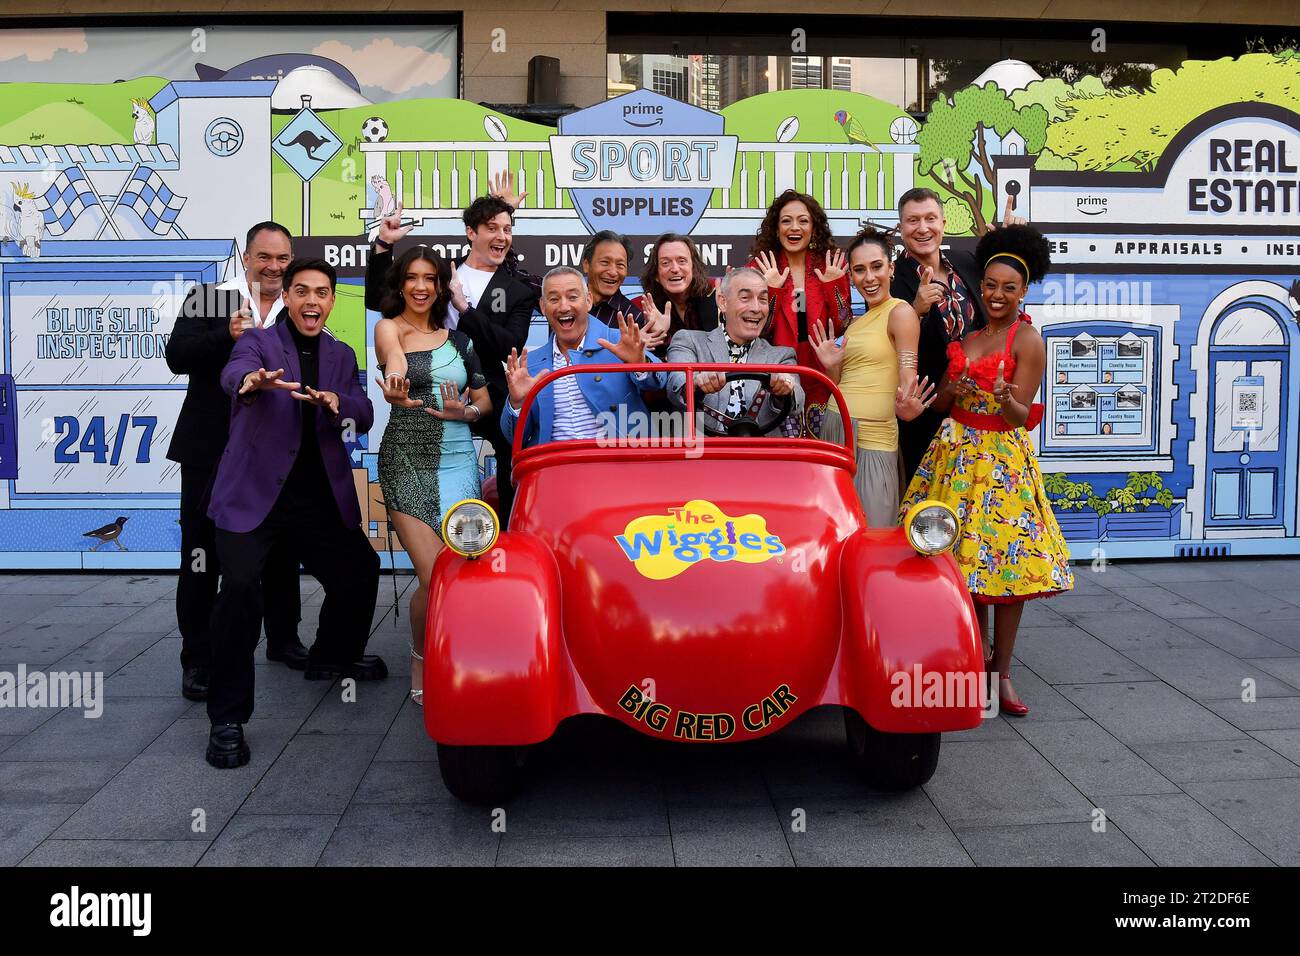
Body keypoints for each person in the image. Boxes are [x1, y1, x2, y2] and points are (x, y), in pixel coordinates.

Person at [204, 259, 382, 769]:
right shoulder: (260, 343)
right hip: (253, 498)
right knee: (238, 592)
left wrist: (338, 403)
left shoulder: (341, 353)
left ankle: (332, 654)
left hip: (315, 497)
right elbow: (233, 371)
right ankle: (227, 721)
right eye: (301, 291)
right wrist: (251, 382)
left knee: (360, 570)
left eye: (322, 293)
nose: (312, 301)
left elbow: (362, 409)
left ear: (331, 301)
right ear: (286, 296)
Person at [899, 225, 1074, 718]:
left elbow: (1021, 415)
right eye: (991, 286)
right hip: (955, 456)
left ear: (1024, 292)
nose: (997, 295)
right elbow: (944, 406)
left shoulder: (1030, 340)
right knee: (964, 565)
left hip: (1000, 461)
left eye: (1009, 288)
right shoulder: (969, 337)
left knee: (1008, 568)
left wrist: (1006, 399)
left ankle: (1004, 672)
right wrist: (953, 384)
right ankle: (975, 661)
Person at [164, 221, 305, 703]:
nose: (274, 267)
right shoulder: (210, 297)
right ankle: (198, 660)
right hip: (210, 450)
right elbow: (176, 356)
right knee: (201, 554)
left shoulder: (300, 305)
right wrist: (226, 334)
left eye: (283, 259)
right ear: (246, 257)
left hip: (275, 452)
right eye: (264, 257)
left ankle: (284, 639)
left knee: (281, 548)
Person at [366, 194, 536, 526]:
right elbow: (380, 299)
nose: (502, 236)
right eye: (492, 228)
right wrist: (384, 245)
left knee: (509, 468)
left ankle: (508, 544)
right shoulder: (440, 272)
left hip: (491, 396)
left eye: (507, 229)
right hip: (432, 389)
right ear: (471, 232)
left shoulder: (518, 290)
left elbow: (510, 345)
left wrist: (464, 309)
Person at [373, 246, 492, 706]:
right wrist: (397, 387)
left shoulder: (460, 342)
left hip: (460, 460)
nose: (420, 286)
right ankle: (423, 654)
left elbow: (485, 402)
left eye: (430, 278)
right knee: (433, 574)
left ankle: (460, 654)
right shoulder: (390, 328)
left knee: (459, 571)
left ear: (441, 286)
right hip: (407, 460)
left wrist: (466, 411)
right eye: (412, 277)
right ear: (400, 284)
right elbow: (394, 361)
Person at [891, 190, 1026, 481]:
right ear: (900, 228)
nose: (923, 228)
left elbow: (1005, 289)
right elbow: (889, 342)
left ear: (944, 222)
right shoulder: (891, 278)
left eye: (930, 218)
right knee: (930, 511)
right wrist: (918, 309)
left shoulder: (966, 262)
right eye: (913, 220)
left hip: (980, 413)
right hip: (927, 418)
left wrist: (1008, 242)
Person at [809, 227, 935, 527]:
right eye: (859, 270)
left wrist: (908, 401)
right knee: (836, 531)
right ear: (850, 276)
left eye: (876, 267)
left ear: (891, 268)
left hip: (874, 438)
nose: (869, 278)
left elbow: (908, 369)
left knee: (874, 531)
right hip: (835, 429)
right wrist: (830, 365)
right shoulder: (855, 323)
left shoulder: (901, 312)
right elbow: (841, 382)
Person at [502, 267, 664, 448]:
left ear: (588, 301)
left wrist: (639, 364)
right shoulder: (529, 364)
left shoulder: (619, 341)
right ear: (542, 307)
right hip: (553, 468)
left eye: (572, 297)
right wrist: (517, 403)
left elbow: (659, 380)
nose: (564, 307)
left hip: (619, 464)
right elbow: (514, 438)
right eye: (554, 299)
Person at [747, 189, 851, 437]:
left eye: (803, 220)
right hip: (777, 378)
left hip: (822, 375)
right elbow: (758, 330)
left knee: (821, 453)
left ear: (814, 229)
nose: (795, 227)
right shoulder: (760, 267)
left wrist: (833, 286)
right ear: (776, 228)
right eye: (786, 220)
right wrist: (771, 289)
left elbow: (843, 325)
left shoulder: (829, 265)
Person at [665, 267, 803, 435]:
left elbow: (797, 400)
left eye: (763, 299)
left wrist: (784, 389)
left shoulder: (781, 356)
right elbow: (676, 384)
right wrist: (695, 382)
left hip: (761, 457)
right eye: (745, 298)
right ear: (723, 302)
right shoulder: (689, 341)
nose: (756, 308)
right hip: (700, 455)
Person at [633, 233, 720, 357]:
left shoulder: (717, 298)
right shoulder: (643, 309)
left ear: (693, 268)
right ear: (656, 274)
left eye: (682, 261)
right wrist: (658, 336)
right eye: (665, 263)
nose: (674, 269)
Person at [580, 230, 644, 329]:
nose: (613, 272)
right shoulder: (567, 306)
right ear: (586, 265)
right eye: (605, 262)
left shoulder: (634, 318)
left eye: (620, 265)